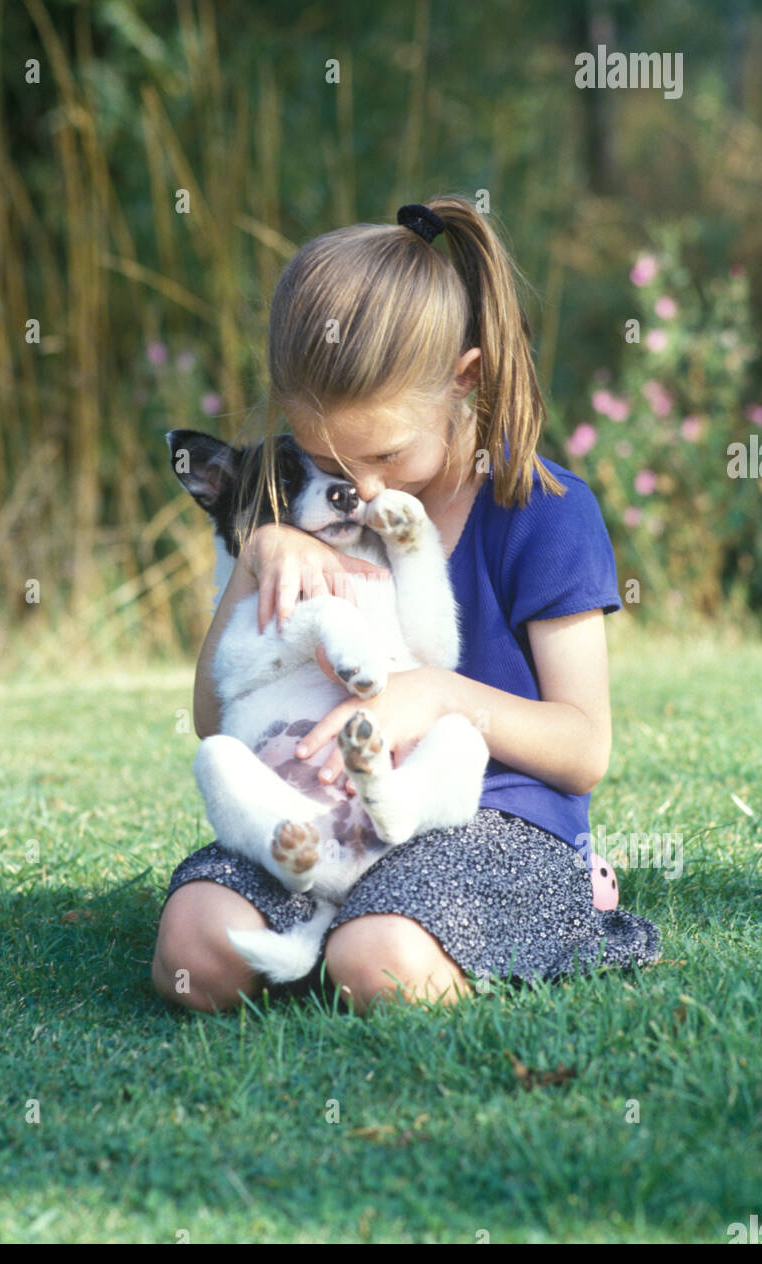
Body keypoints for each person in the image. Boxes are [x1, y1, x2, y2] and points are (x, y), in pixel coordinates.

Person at [151, 195, 662, 1017]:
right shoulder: (302, 512)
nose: (360, 490)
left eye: (383, 453)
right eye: (325, 458)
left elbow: (583, 748)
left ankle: (507, 919)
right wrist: (257, 559)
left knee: (377, 965)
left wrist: (432, 696)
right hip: (318, 812)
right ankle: (348, 921)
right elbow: (216, 719)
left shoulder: (546, 511)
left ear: (466, 380)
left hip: (494, 820)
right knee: (196, 954)